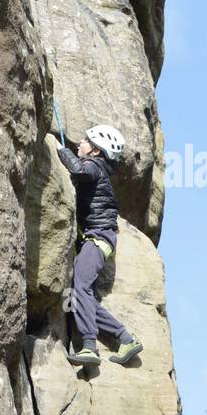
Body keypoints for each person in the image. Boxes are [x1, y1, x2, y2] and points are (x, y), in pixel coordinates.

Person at [56, 124, 143, 368]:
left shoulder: (94, 167)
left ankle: (90, 346)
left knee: (80, 288)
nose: (79, 143)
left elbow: (79, 171)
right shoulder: (99, 167)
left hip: (98, 238)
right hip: (98, 238)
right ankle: (125, 339)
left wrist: (64, 153)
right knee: (79, 298)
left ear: (95, 151)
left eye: (84, 141)